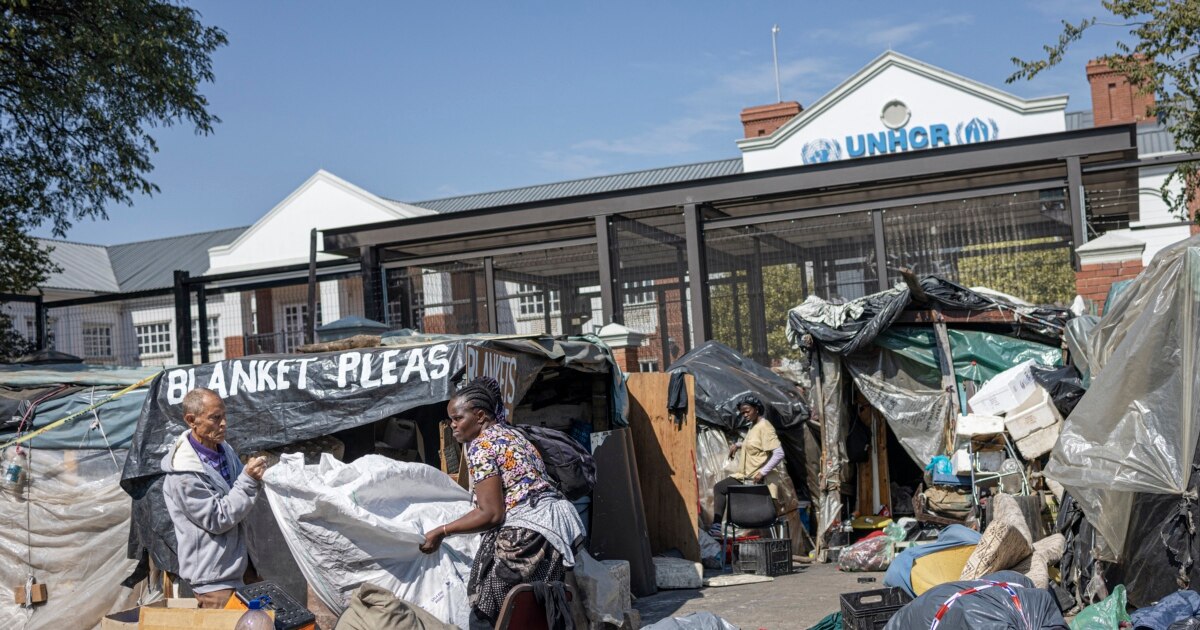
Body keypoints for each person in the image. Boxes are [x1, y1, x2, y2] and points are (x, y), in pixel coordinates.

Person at [420, 378, 585, 630]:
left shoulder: (481, 445)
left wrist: (441, 532)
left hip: (527, 535)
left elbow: (492, 514)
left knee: (487, 615)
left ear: (480, 416)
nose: (452, 426)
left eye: (457, 418)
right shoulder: (514, 435)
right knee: (535, 607)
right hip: (555, 529)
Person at [161, 388, 267, 608]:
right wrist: (248, 479)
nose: (224, 423)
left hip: (242, 567)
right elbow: (217, 519)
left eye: (224, 416)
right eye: (215, 418)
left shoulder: (222, 449)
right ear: (192, 420)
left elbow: (239, 493)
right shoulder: (184, 472)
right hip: (215, 579)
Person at [713, 394, 785, 522]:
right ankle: (717, 527)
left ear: (756, 409)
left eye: (747, 411)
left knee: (719, 489)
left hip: (755, 478)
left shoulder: (765, 426)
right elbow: (755, 444)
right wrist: (738, 445)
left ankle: (716, 527)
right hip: (746, 475)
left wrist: (762, 472)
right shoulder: (753, 426)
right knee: (721, 489)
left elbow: (779, 453)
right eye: (742, 413)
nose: (745, 415)